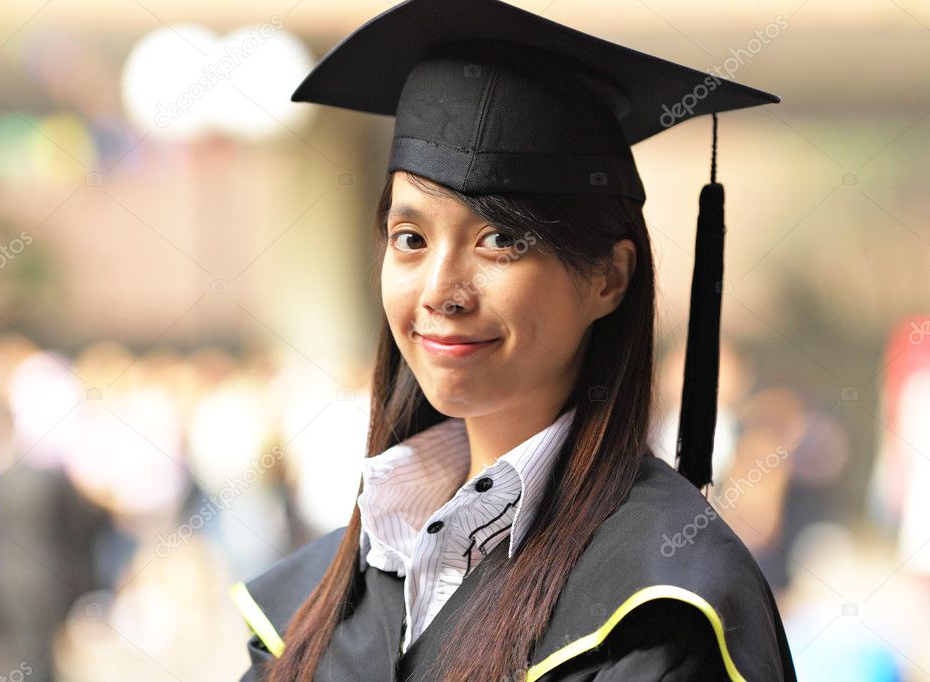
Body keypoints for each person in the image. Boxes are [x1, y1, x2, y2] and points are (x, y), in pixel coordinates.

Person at [230, 0, 797, 679]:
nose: (441, 289)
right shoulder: (309, 599)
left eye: (499, 239)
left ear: (608, 279)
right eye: (409, 239)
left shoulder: (658, 603)